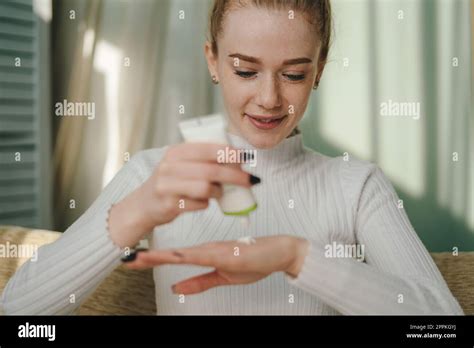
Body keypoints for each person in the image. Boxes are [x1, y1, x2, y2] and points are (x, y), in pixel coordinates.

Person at [1, 0, 463, 315]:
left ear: (318, 70)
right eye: (245, 69)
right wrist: (132, 214)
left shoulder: (356, 186)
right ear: (212, 61)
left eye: (294, 74)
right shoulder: (153, 173)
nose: (268, 98)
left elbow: (441, 325)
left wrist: (297, 258)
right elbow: (16, 312)